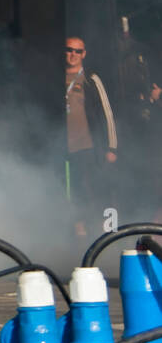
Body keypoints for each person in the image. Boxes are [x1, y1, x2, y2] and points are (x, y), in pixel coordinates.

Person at [64, 36, 119, 237]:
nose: (72, 54)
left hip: (90, 145)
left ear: (84, 54)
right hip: (66, 148)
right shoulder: (57, 77)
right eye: (69, 50)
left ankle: (106, 230)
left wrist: (112, 147)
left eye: (77, 51)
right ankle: (79, 229)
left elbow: (107, 113)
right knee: (74, 190)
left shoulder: (91, 78)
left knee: (97, 187)